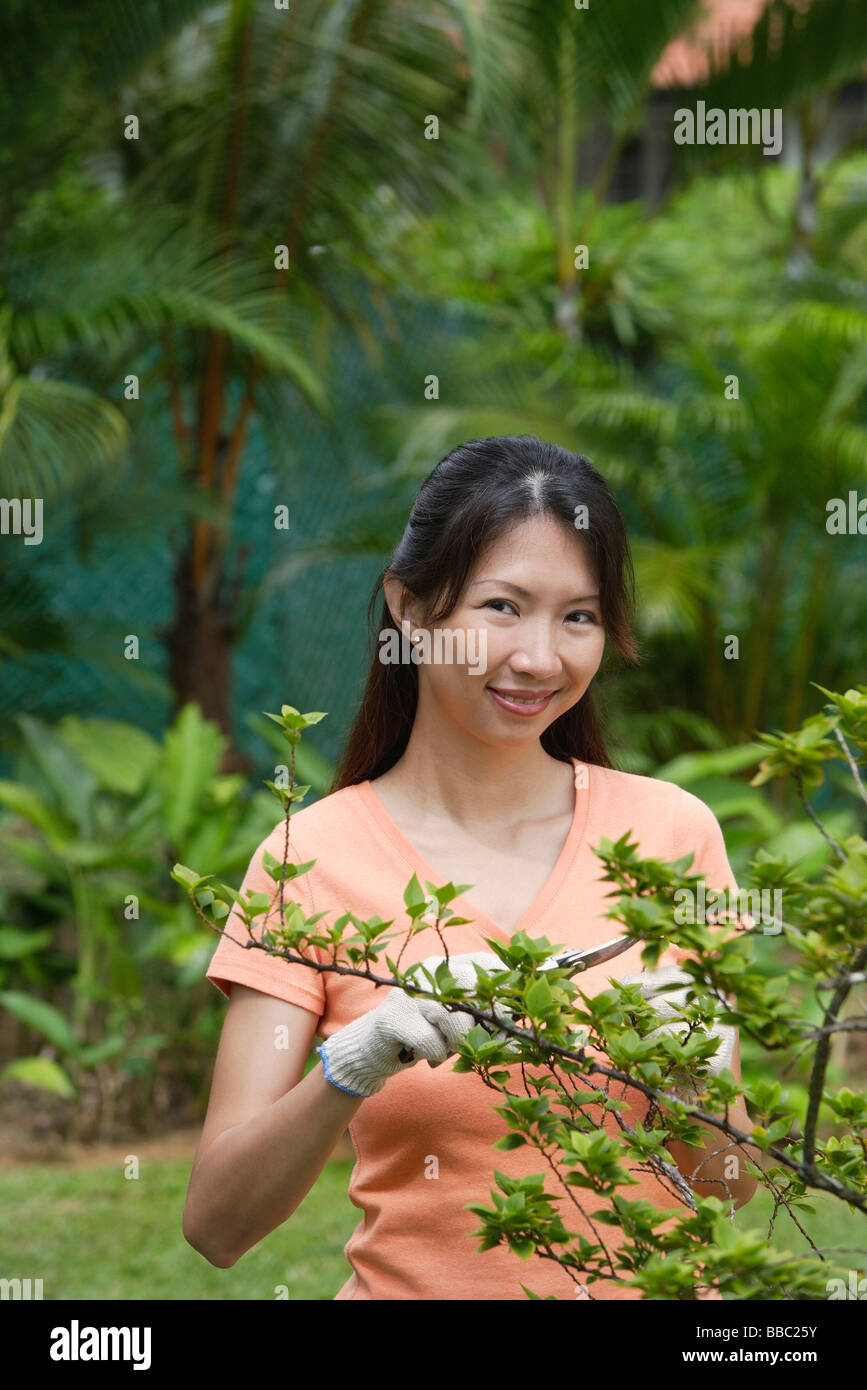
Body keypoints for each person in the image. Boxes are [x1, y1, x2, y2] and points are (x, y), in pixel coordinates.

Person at [183, 435, 758, 1300]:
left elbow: (726, 1187)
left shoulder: (671, 835)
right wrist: (354, 1061)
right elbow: (218, 1226)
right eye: (501, 606)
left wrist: (691, 1070)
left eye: (580, 616)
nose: (539, 657)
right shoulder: (310, 862)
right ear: (410, 610)